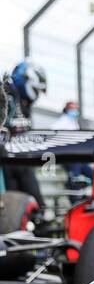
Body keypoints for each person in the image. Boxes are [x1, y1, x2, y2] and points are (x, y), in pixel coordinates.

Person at [2, 60, 48, 209]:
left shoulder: (24, 102)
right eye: (36, 90)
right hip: (6, 162)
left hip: (20, 160)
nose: (36, 95)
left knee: (34, 204)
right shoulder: (4, 94)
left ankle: (39, 215)